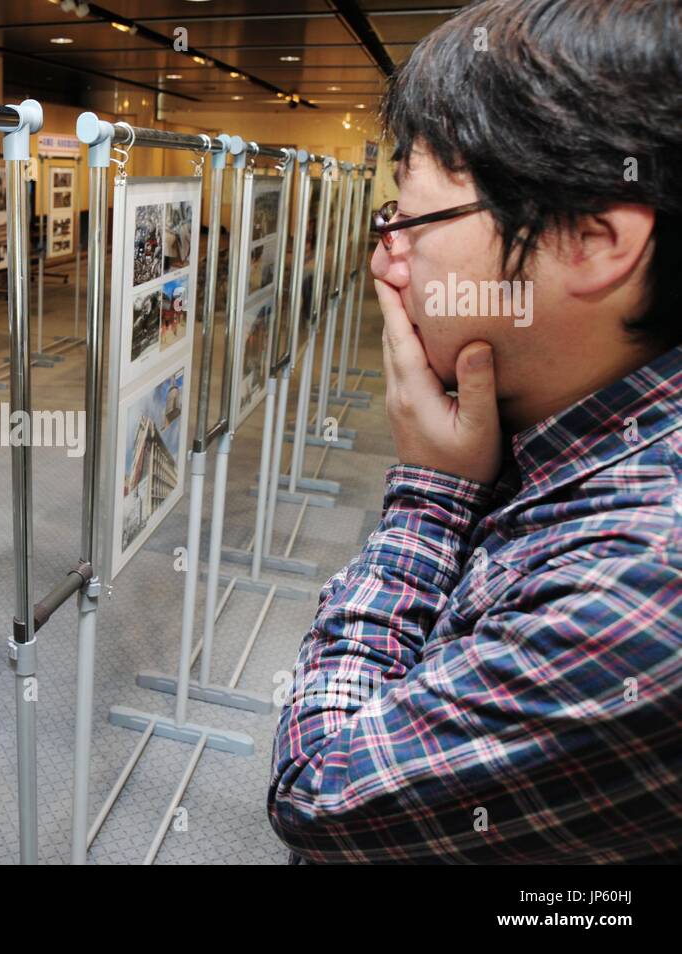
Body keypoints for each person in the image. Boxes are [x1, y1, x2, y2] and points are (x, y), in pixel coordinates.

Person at [268, 0, 681, 863]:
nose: (386, 260)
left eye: (411, 224)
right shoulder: (588, 431)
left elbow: (320, 792)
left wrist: (431, 495)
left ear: (594, 242)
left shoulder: (641, 585)